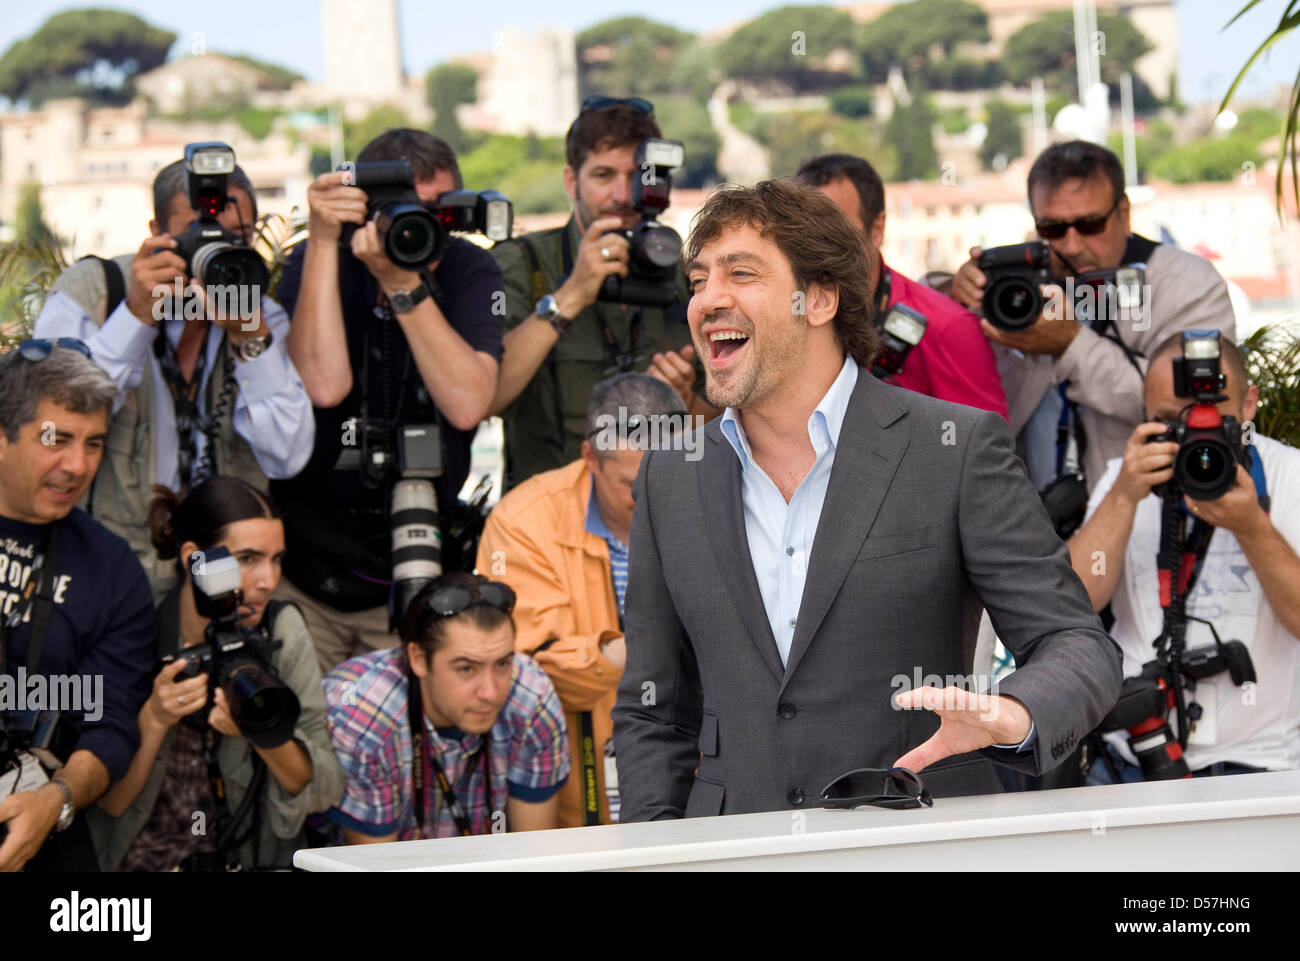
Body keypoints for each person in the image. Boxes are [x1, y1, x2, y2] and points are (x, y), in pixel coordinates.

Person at [611, 180, 1123, 820]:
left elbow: (1077, 644)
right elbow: (651, 710)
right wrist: (656, 850)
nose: (709, 299)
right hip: (734, 850)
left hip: (914, 836)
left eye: (741, 274)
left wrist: (1014, 712)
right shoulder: (672, 475)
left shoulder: (954, 448)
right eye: (697, 281)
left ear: (820, 299)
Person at [272, 129, 504, 674]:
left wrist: (403, 286)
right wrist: (326, 243)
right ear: (361, 213)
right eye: (401, 211)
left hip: (418, 573)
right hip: (308, 574)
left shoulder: (471, 269)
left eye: (434, 211)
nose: (417, 227)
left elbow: (468, 402)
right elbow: (321, 385)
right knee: (310, 749)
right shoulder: (319, 258)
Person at [33, 155, 314, 601]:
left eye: (235, 239)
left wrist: (249, 341)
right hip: (106, 565)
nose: (217, 254)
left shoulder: (261, 315)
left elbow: (288, 456)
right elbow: (51, 426)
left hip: (219, 577)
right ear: (156, 232)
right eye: (198, 238)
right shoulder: (95, 289)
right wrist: (136, 317)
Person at [1067, 334, 1300, 781]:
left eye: (1212, 420)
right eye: (1171, 420)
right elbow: (1073, 599)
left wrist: (1253, 525)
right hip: (1131, 755)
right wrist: (1123, 498)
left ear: (1249, 404)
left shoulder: (1289, 475)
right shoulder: (1126, 475)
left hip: (1260, 763)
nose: (1197, 437)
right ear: (1145, 410)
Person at [84, 477, 344, 870]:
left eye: (276, 560)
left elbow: (325, 789)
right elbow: (112, 802)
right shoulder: (138, 614)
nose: (267, 581)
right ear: (194, 558)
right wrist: (154, 717)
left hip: (240, 856)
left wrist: (260, 731)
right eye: (248, 559)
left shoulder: (280, 628)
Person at [950, 140, 1235, 494]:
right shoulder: (1018, 288)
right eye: (1053, 229)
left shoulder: (1185, 283)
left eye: (1089, 225)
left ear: (1124, 212)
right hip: (1034, 519)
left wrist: (1072, 347)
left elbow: (1193, 409)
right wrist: (961, 291)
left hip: (1146, 516)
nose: (1071, 245)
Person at [476, 372, 686, 827]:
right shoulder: (522, 522)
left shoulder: (722, 500)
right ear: (590, 456)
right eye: (633, 485)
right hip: (577, 794)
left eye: (667, 477)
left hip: (698, 784)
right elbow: (522, 673)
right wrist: (648, 647)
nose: (653, 501)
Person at [489, 96, 714, 492]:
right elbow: (485, 398)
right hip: (550, 522)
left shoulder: (688, 274)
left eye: (637, 176)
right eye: (603, 175)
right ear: (571, 182)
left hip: (661, 510)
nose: (623, 195)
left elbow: (729, 429)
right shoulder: (522, 265)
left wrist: (687, 405)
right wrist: (568, 297)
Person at [0, 342, 155, 872]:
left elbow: (110, 724)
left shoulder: (113, 571)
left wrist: (58, 800)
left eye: (94, 444)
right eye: (57, 440)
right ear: (2, 436)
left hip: (35, 821)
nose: (78, 465)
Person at [321, 572, 569, 840]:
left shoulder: (532, 696)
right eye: (466, 669)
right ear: (417, 659)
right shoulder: (362, 716)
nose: (490, 692)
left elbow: (533, 854)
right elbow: (373, 865)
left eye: (503, 664)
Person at [795, 153, 1008, 420]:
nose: (817, 248)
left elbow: (985, 455)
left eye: (836, 232)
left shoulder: (949, 328)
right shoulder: (783, 317)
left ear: (878, 229)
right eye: (803, 234)